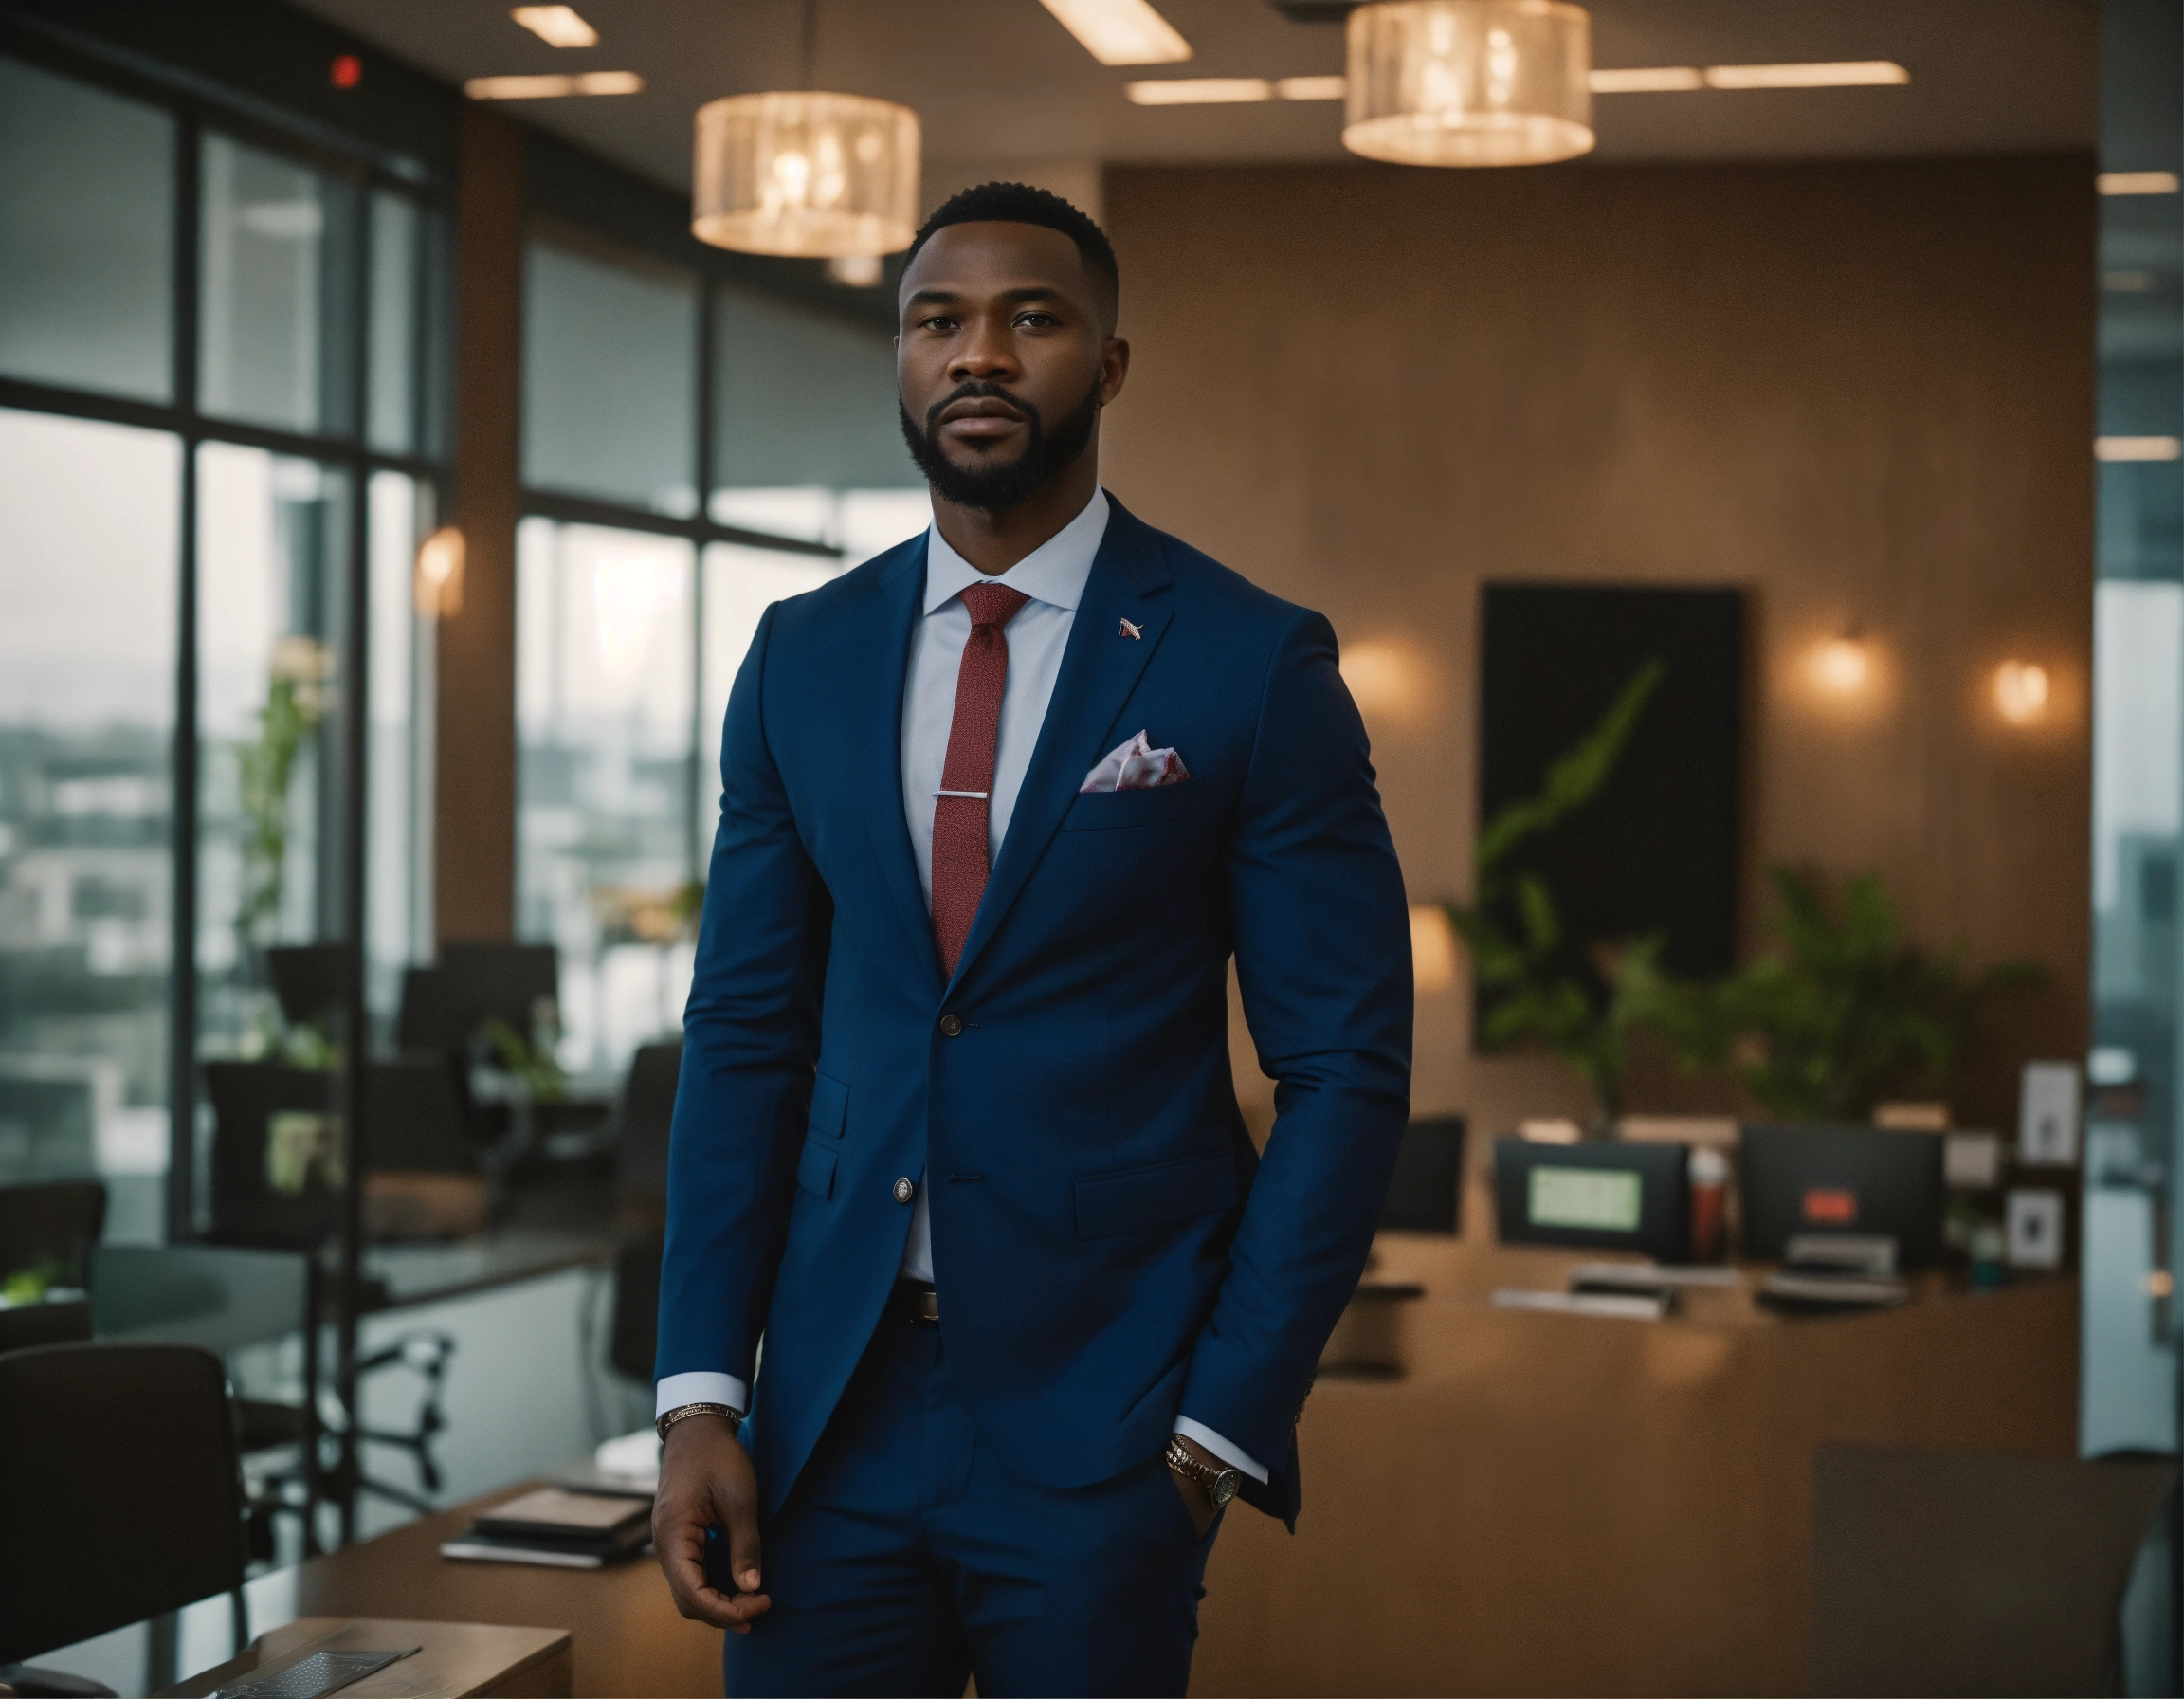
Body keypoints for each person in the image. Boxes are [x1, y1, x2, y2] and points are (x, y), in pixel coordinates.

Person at [650, 180, 1412, 1697]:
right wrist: (695, 1401)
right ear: (901, 359)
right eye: (939, 321)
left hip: (1110, 1425)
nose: (979, 355)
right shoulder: (801, 655)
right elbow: (746, 1037)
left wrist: (1213, 1437)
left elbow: (1346, 1069)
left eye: (1032, 319)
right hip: (828, 1413)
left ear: (1108, 366)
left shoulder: (1252, 662)